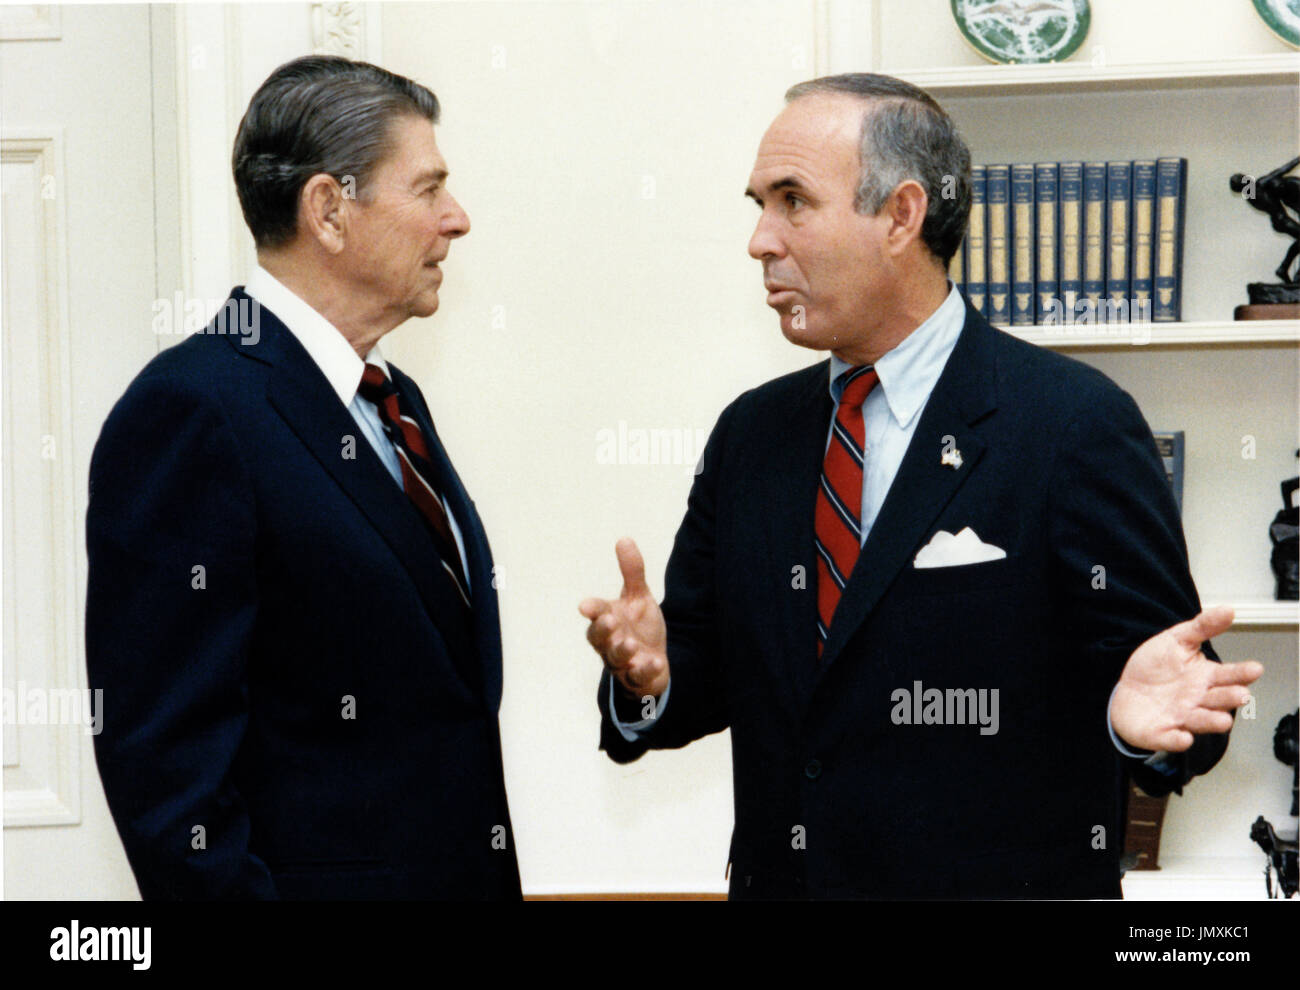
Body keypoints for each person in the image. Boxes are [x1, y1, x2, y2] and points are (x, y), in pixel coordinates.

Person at [580, 73, 1263, 899]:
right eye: (759, 204)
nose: (760, 240)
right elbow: (704, 668)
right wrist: (648, 677)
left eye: (793, 201)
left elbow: (1176, 680)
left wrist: (1141, 730)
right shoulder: (750, 435)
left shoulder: (1071, 423)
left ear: (902, 215)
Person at [86, 55, 520, 899]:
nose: (457, 219)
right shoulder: (193, 411)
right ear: (329, 209)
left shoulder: (393, 400)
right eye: (428, 189)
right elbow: (170, 779)